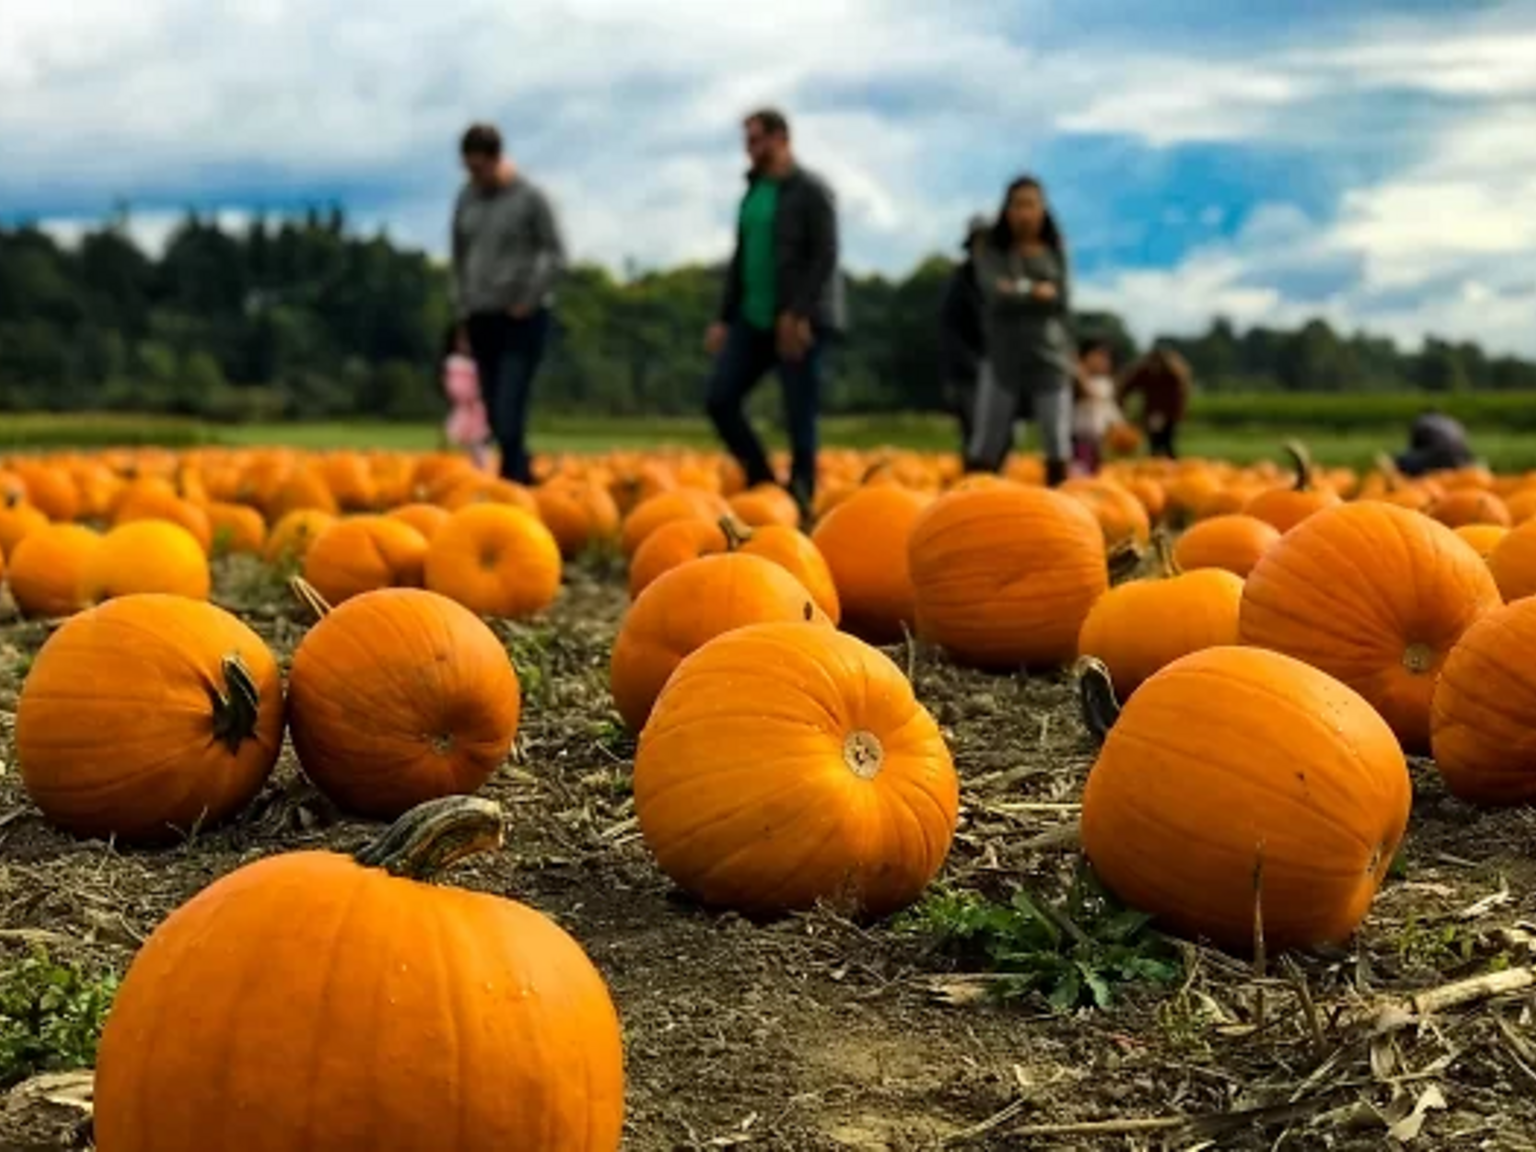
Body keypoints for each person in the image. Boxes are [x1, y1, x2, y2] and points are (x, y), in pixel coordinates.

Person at [704, 108, 845, 520]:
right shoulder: (753, 191)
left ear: (782, 138)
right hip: (753, 317)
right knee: (720, 398)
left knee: (798, 409)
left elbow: (825, 255)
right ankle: (763, 481)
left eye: (758, 140)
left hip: (799, 320)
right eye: (748, 142)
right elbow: (742, 259)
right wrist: (723, 317)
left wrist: (799, 312)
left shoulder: (811, 189)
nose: (751, 149)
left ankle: (801, 496)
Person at [450, 122, 567, 485]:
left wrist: (528, 298)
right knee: (495, 414)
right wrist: (462, 313)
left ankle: (514, 482)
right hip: (482, 316)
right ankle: (520, 475)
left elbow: (554, 254)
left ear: (497, 159)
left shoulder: (530, 198)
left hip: (521, 317)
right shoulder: (466, 199)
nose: (476, 176)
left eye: (480, 167)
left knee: (509, 404)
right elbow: (459, 257)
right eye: (469, 168)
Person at [966, 175, 1075, 486]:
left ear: (1042, 210)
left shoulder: (1055, 251)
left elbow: (1062, 300)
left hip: (1050, 356)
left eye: (1031, 205)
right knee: (988, 437)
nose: (1024, 213)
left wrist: (1018, 290)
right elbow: (994, 293)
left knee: (1056, 437)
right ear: (1007, 210)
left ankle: (1061, 507)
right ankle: (972, 503)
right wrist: (1036, 291)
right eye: (1017, 205)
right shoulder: (991, 249)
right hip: (1002, 356)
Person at [938, 214, 992, 454]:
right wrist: (971, 363)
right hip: (967, 371)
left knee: (1000, 434)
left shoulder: (1000, 280)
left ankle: (996, 484)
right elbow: (949, 329)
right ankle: (974, 482)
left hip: (1000, 372)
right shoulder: (960, 282)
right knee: (974, 432)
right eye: (979, 243)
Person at [1117, 344, 1192, 459]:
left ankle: (1168, 469)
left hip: (1168, 415)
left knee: (1166, 444)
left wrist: (1173, 414)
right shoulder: (1145, 372)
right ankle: (1158, 469)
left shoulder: (1172, 375)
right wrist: (1121, 404)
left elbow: (1179, 396)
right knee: (1155, 445)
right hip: (1152, 414)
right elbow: (1126, 386)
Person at [440, 326, 492, 471]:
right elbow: (452, 385)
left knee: (478, 440)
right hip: (463, 408)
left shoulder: (478, 362)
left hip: (477, 409)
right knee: (452, 436)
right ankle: (450, 467)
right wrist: (464, 396)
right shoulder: (454, 362)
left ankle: (481, 468)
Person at [1071, 338, 1123, 475]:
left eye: (1106, 357)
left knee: (1095, 468)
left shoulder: (1105, 383)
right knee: (1080, 469)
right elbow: (1086, 392)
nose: (1103, 361)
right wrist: (1077, 368)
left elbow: (1109, 408)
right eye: (1098, 356)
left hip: (1097, 437)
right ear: (1084, 357)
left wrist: (1119, 425)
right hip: (1079, 435)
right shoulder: (1076, 382)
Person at [1395, 408, 1475, 476]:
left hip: (1438, 455)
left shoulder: (1422, 420)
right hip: (1462, 456)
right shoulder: (1452, 421)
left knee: (1401, 461)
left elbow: (1413, 447)